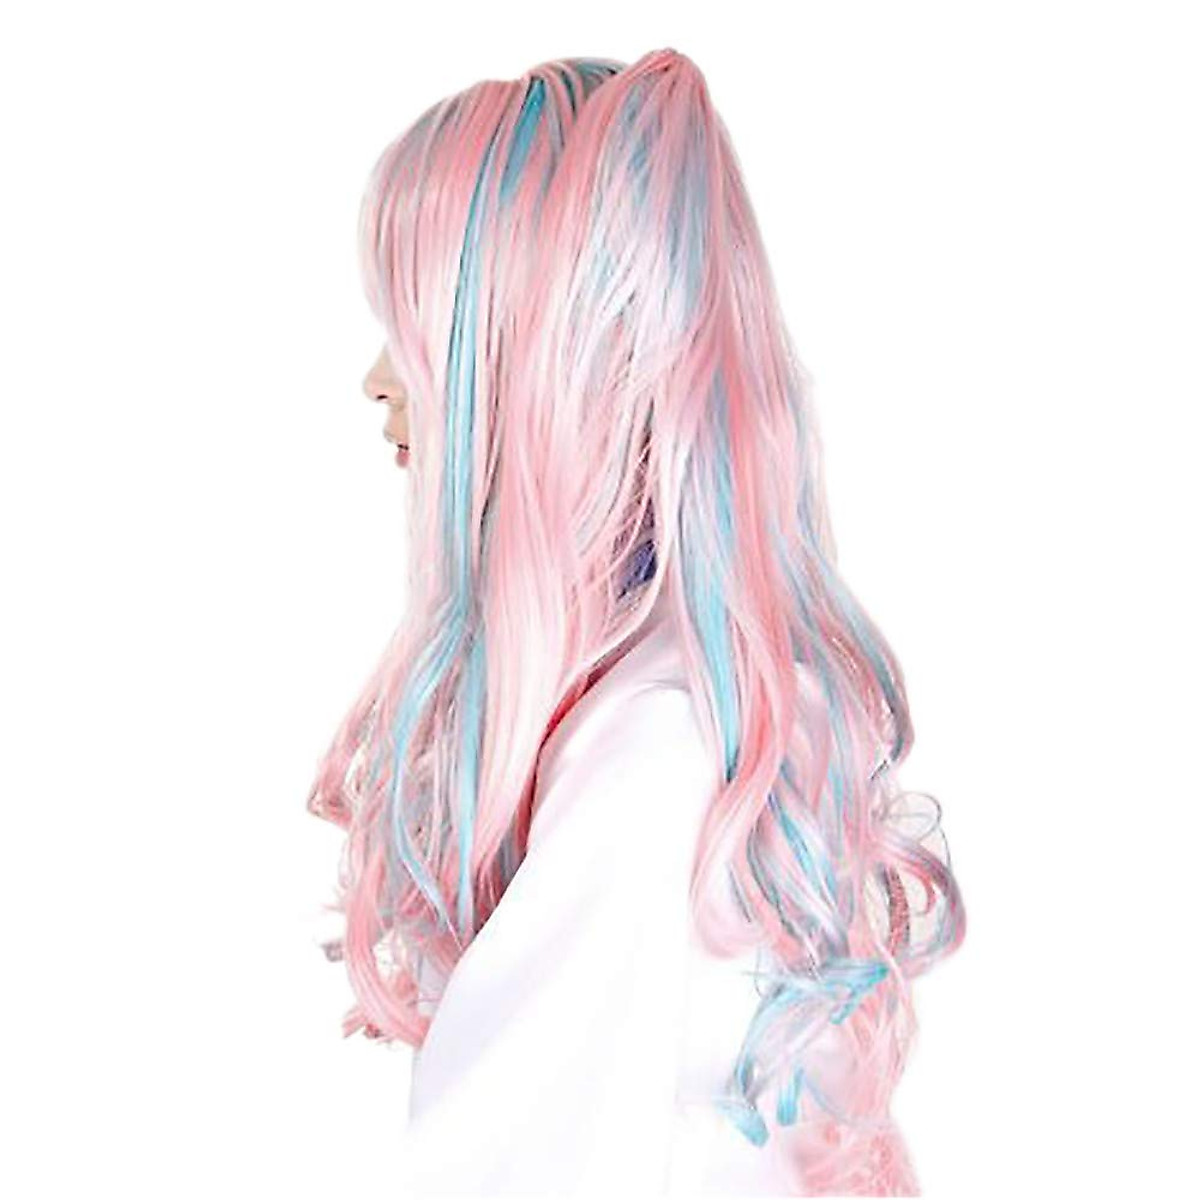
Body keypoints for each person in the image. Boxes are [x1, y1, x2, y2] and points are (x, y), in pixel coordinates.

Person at [307, 47, 966, 1196]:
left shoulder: (654, 760)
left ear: (541, 362)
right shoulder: (697, 729)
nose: (375, 379)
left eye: (416, 331)